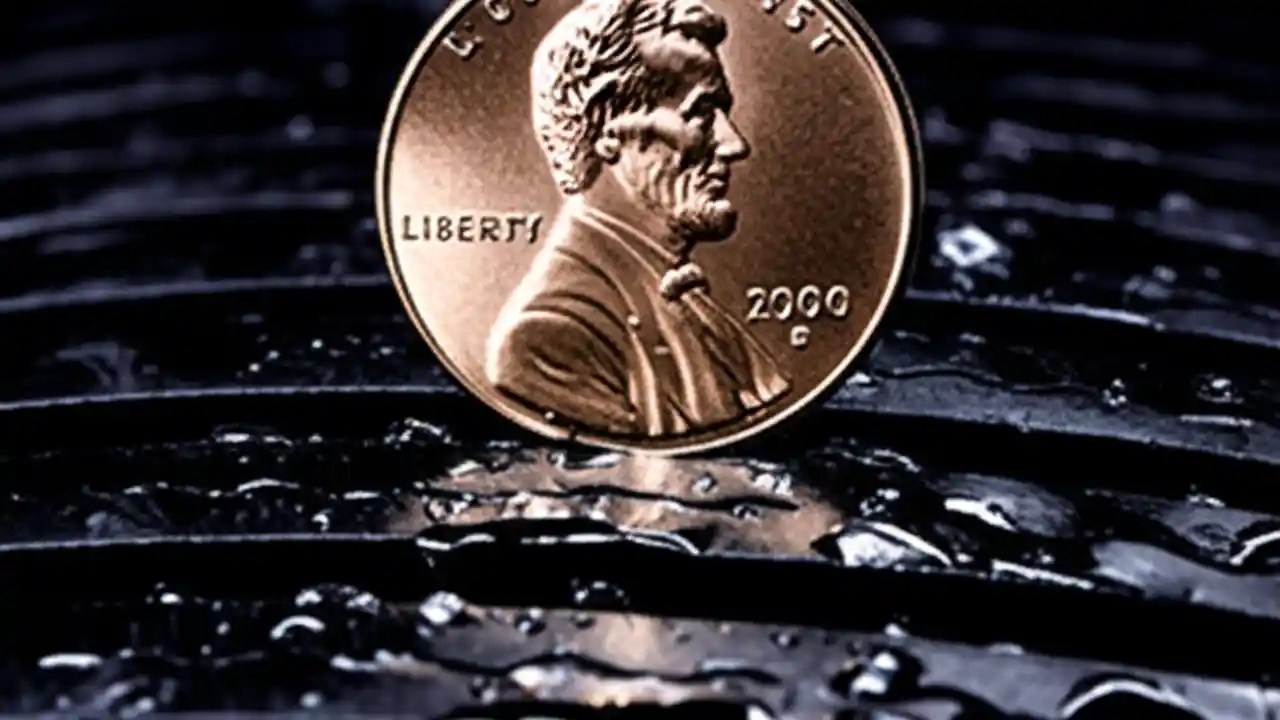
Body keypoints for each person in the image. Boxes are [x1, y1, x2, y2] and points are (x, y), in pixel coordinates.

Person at [484, 0, 790, 438]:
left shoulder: (679, 293)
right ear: (611, 135)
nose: (733, 144)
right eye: (702, 114)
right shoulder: (547, 336)